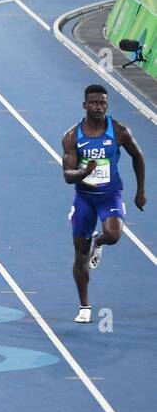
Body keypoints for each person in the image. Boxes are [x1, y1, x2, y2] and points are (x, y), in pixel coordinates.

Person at [61, 85, 145, 324]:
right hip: (84, 198)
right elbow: (67, 175)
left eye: (103, 103)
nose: (99, 106)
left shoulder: (118, 131)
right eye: (94, 102)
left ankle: (99, 241)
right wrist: (84, 171)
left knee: (114, 234)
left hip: (110, 195)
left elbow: (137, 156)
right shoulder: (72, 136)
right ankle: (84, 305)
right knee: (79, 254)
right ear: (85, 105)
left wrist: (140, 190)